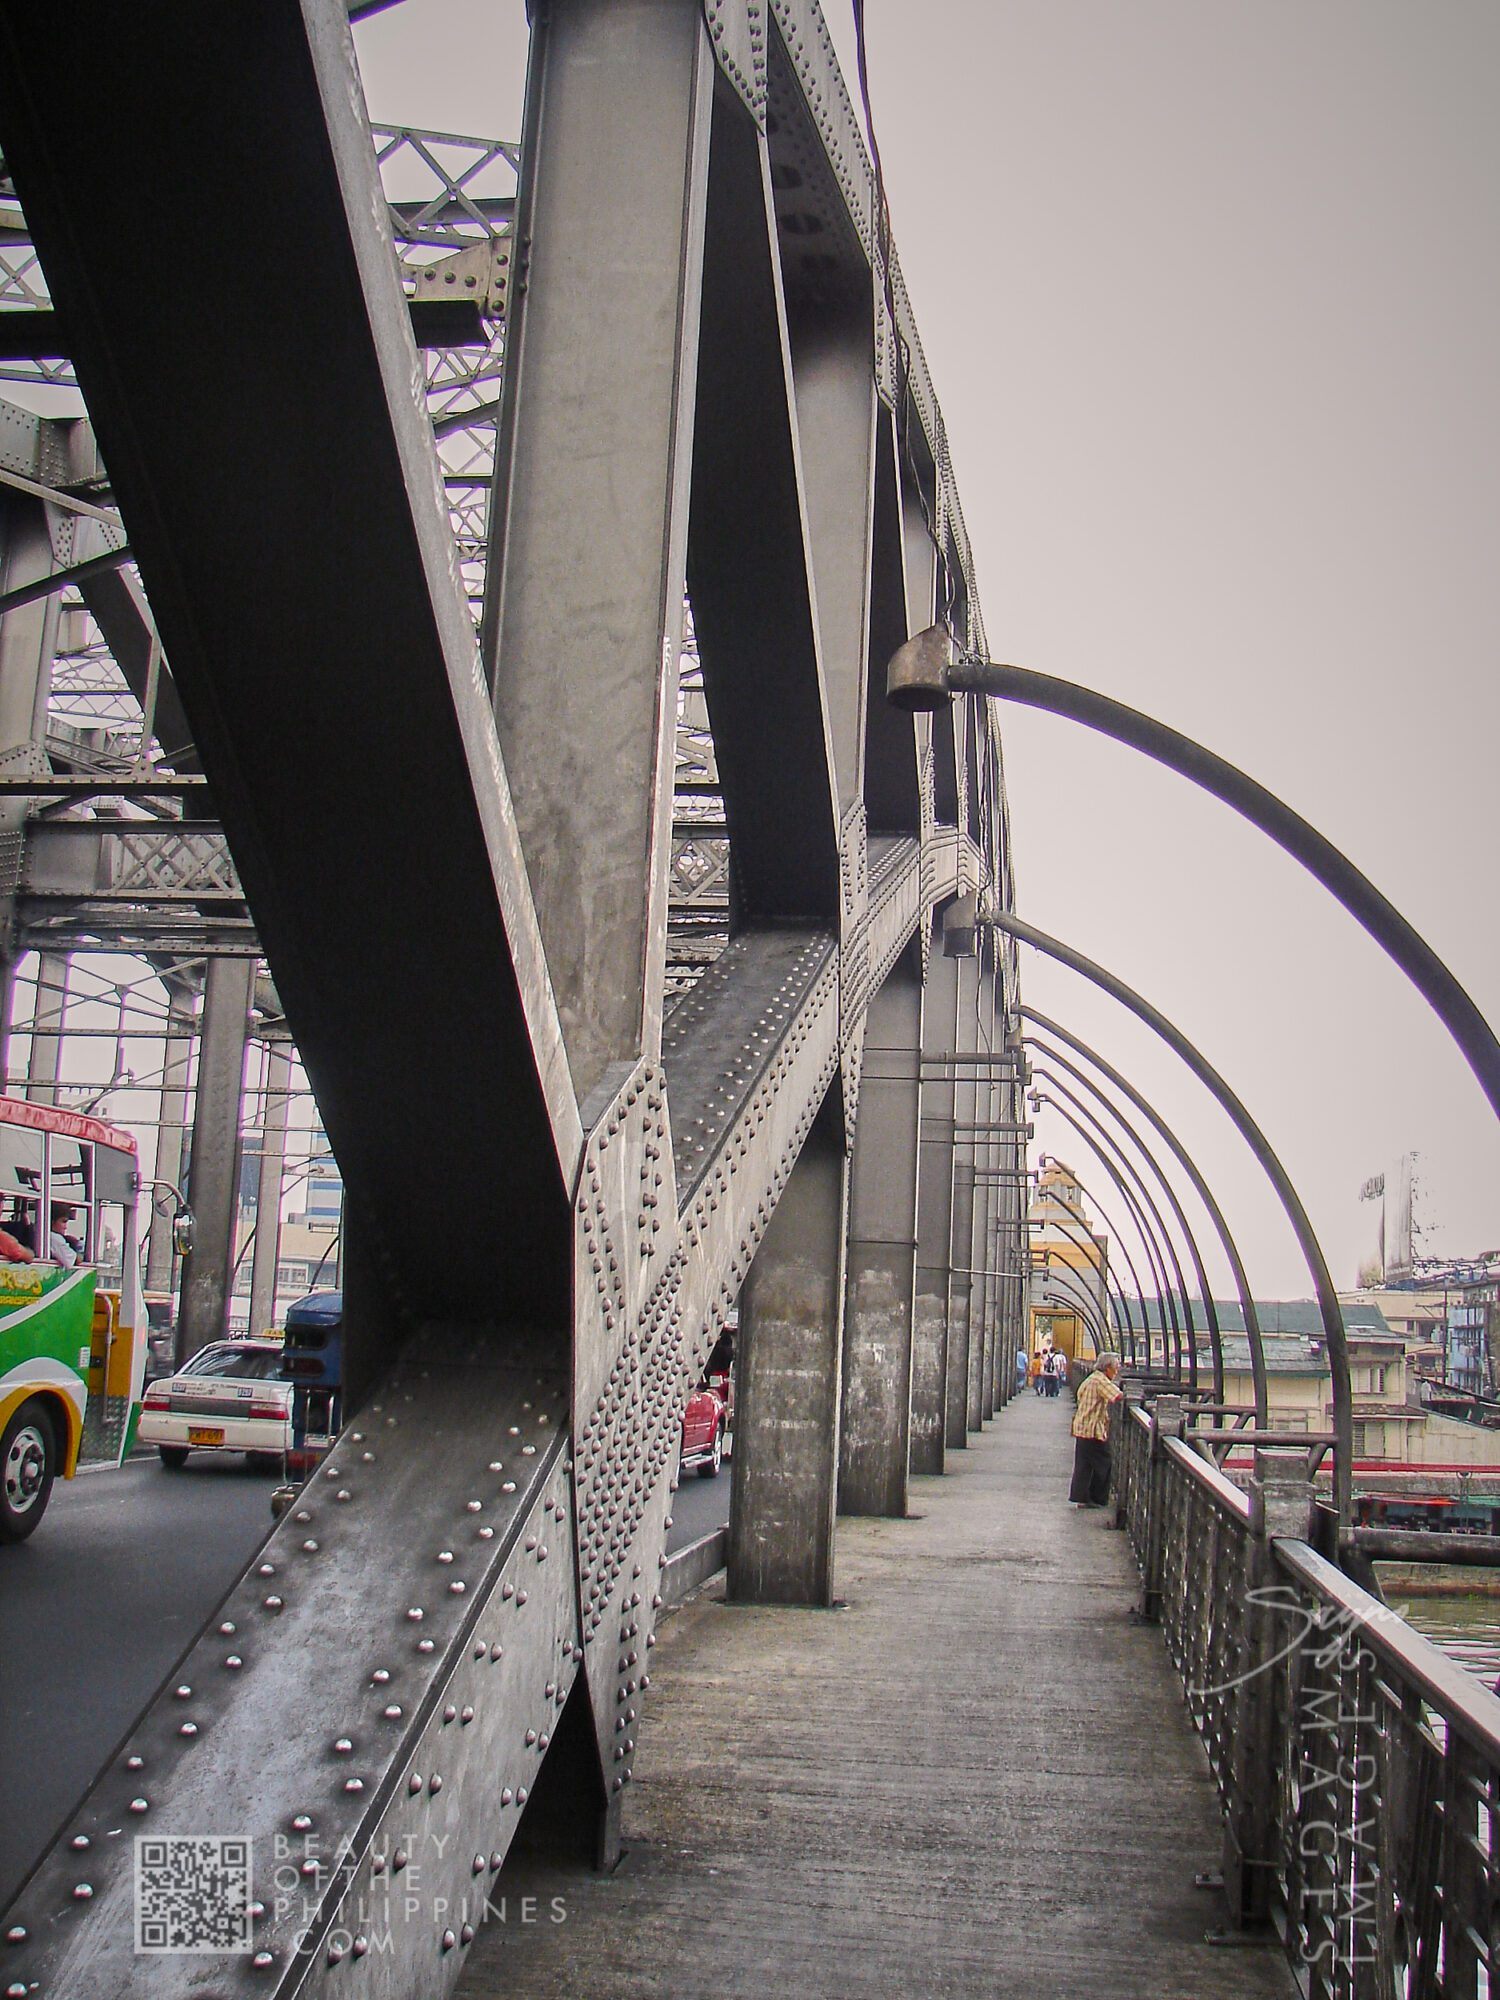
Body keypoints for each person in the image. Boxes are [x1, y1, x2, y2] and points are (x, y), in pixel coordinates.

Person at [1069, 1352, 1123, 1507]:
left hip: (1082, 1426)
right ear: (1107, 1368)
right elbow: (1116, 1396)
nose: (1117, 1371)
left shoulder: (1091, 1378)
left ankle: (1081, 1497)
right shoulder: (1100, 1380)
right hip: (1091, 1429)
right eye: (1115, 1368)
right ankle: (1095, 1498)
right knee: (1103, 1462)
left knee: (1084, 1464)